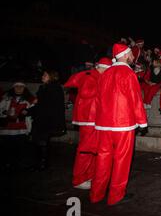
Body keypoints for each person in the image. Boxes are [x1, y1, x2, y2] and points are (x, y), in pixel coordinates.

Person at [90, 44, 148, 206]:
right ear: (125, 55)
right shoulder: (128, 73)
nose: (132, 56)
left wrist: (98, 120)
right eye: (130, 54)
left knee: (102, 159)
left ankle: (96, 194)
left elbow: (98, 99)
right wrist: (142, 121)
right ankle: (116, 195)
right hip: (123, 124)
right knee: (122, 160)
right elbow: (135, 99)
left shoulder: (105, 73)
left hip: (104, 125)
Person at [63, 57, 112, 190]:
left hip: (94, 119)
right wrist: (104, 88)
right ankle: (79, 179)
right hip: (88, 119)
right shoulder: (90, 76)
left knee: (92, 149)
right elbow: (86, 93)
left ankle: (89, 175)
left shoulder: (96, 76)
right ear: (102, 68)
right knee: (85, 149)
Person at [29, 70, 66, 171]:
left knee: (43, 141)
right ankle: (38, 162)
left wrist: (38, 102)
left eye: (45, 75)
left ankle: (43, 164)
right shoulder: (43, 87)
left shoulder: (54, 88)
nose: (42, 76)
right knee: (37, 141)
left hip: (47, 120)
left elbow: (54, 106)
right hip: (41, 118)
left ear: (51, 76)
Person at [0, 82, 36, 171]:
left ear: (24, 88)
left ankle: (20, 165)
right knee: (7, 147)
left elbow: (34, 110)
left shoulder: (29, 99)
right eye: (17, 86)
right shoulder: (7, 98)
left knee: (21, 146)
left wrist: (28, 112)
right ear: (13, 88)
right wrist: (5, 112)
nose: (19, 88)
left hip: (22, 127)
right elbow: (0, 109)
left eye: (21, 87)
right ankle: (7, 164)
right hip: (8, 126)